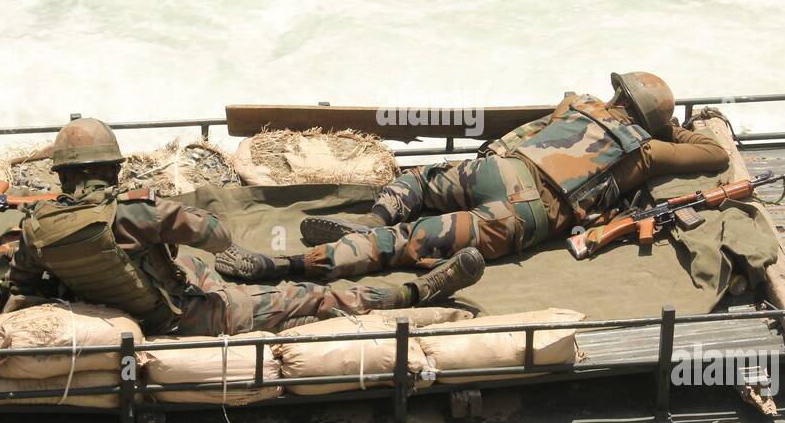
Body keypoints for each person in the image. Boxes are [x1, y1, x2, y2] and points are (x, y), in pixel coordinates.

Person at [216, 72, 730, 284]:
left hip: (496, 169)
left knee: (415, 183)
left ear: (618, 95)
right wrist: (674, 132)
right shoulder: (647, 151)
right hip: (528, 209)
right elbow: (712, 156)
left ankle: (364, 219)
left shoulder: (579, 103)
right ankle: (276, 265)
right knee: (412, 243)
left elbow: (551, 117)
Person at [0, 118, 484, 336]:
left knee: (200, 265)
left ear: (62, 174)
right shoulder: (136, 212)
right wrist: (162, 220)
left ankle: (260, 271)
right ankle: (417, 294)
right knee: (308, 298)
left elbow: (19, 282)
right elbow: (217, 234)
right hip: (186, 318)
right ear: (111, 169)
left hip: (139, 302)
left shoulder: (35, 227)